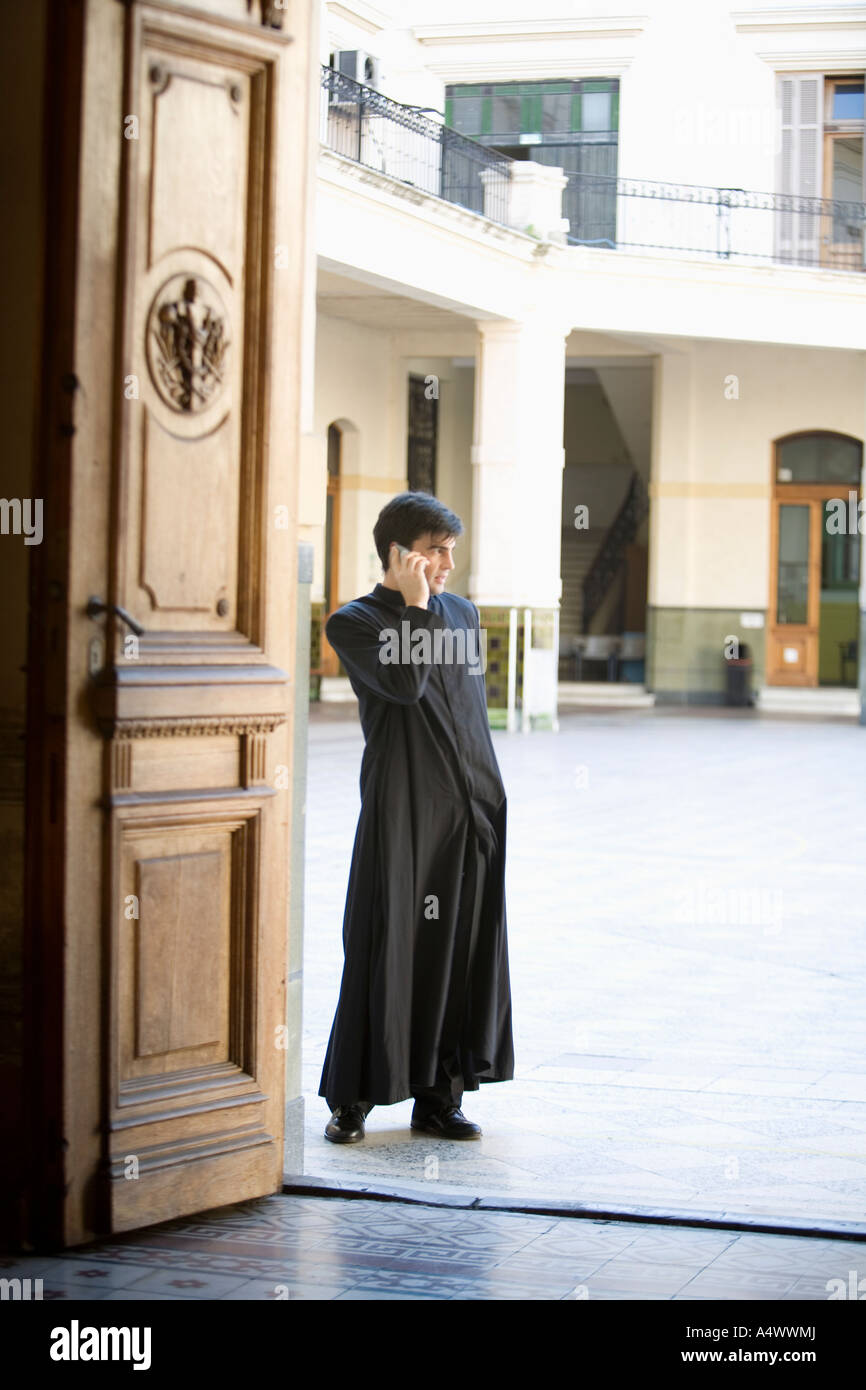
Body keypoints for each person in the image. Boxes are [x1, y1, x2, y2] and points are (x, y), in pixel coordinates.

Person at [318, 491, 514, 1143]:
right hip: (402, 801)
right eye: (436, 551)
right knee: (384, 937)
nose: (449, 565)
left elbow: (466, 707)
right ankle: (353, 1098)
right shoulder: (354, 622)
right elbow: (405, 686)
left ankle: (439, 1095)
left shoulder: (462, 612)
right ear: (400, 555)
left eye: (452, 551)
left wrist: (489, 795)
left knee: (456, 943)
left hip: (468, 802)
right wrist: (414, 606)